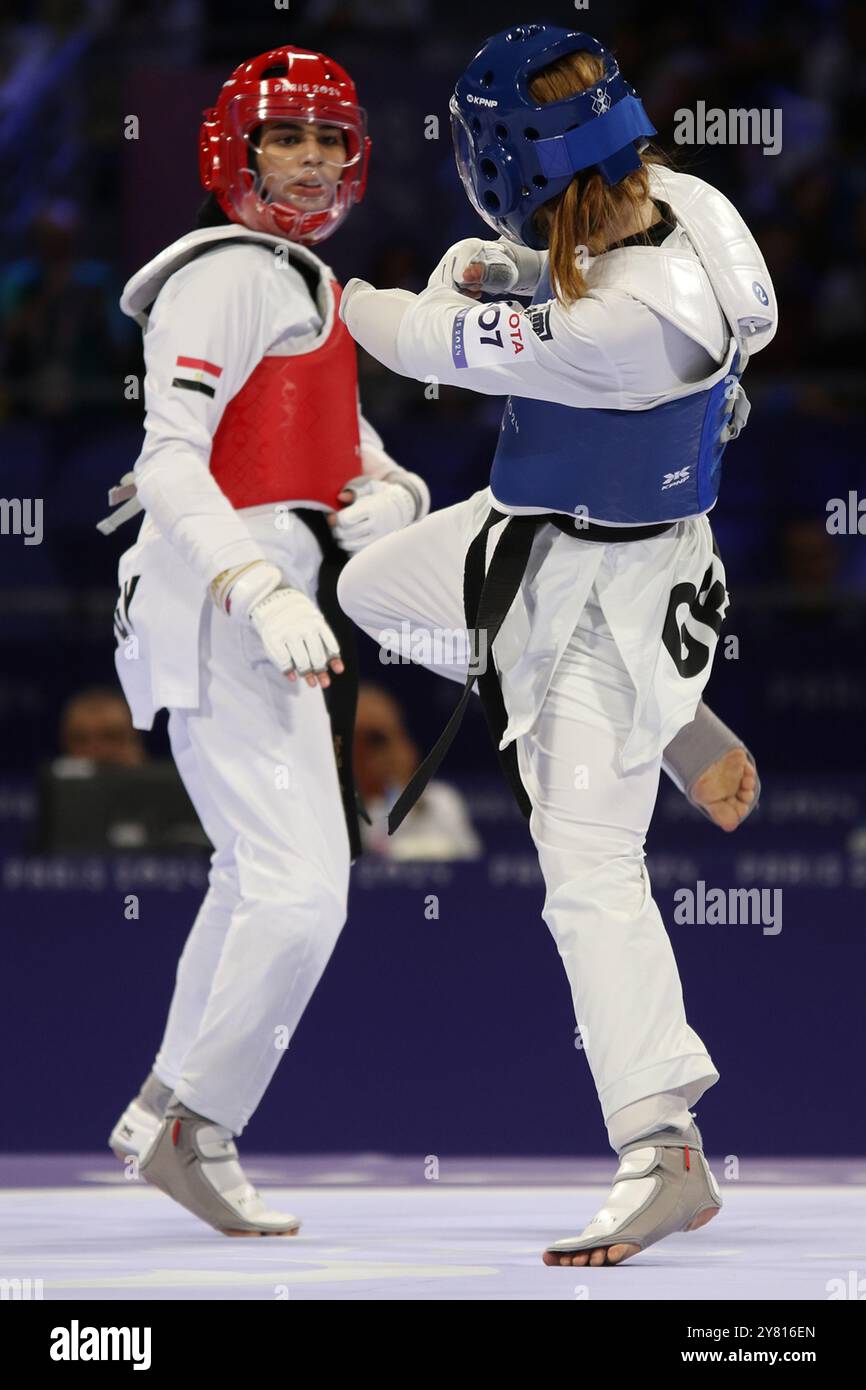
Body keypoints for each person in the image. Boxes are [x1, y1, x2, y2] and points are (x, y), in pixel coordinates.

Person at [335, 24, 777, 1265]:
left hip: (601, 590)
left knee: (585, 865)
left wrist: (324, 291)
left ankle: (661, 1150)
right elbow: (627, 305)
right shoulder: (696, 205)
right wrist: (515, 272)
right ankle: (671, 708)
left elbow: (417, 341)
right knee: (371, 585)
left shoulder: (607, 334)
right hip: (542, 532)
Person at [103, 45, 430, 1235]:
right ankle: (194, 1124)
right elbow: (168, 460)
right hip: (223, 600)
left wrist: (389, 498)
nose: (306, 161)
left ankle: (165, 1114)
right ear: (231, 153)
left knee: (255, 883)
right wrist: (252, 578)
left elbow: (352, 459)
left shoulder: (306, 287)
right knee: (301, 892)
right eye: (283, 139)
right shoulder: (224, 274)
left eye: (325, 140)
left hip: (262, 603)